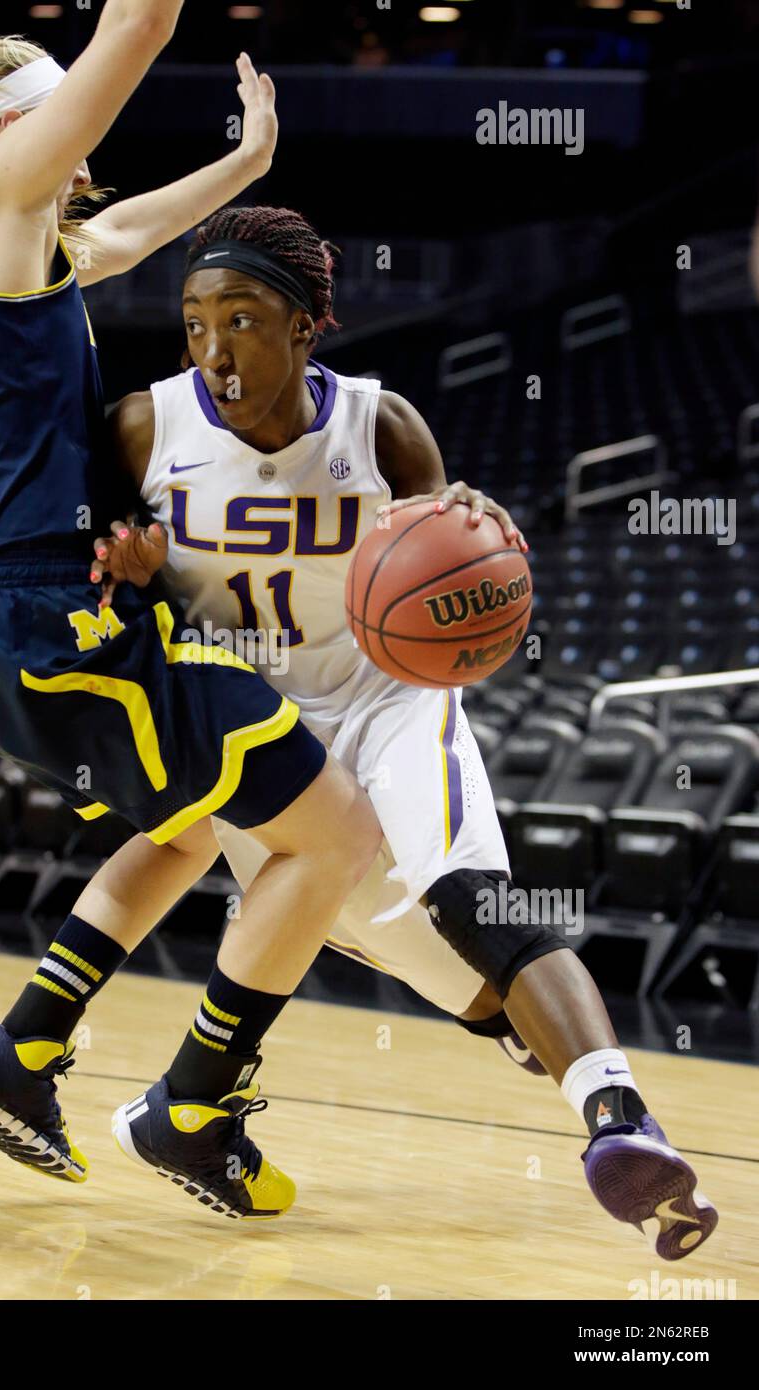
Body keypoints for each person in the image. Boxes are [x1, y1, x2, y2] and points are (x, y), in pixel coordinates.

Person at [98, 204, 718, 1259]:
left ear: (304, 326)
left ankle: (621, 1122)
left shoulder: (381, 424)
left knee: (472, 888)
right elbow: (97, 592)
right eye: (194, 322)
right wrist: (130, 581)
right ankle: (181, 1109)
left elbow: (441, 558)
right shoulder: (143, 427)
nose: (213, 349)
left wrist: (467, 531)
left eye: (241, 319)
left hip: (390, 698)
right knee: (477, 993)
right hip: (255, 735)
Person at [0, 16, 383, 1221]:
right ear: (9, 129)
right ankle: (193, 1105)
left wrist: (246, 166)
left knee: (193, 827)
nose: (84, 155)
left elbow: (133, 230)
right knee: (332, 836)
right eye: (58, 128)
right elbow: (139, 20)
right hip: (46, 615)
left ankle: (22, 1052)